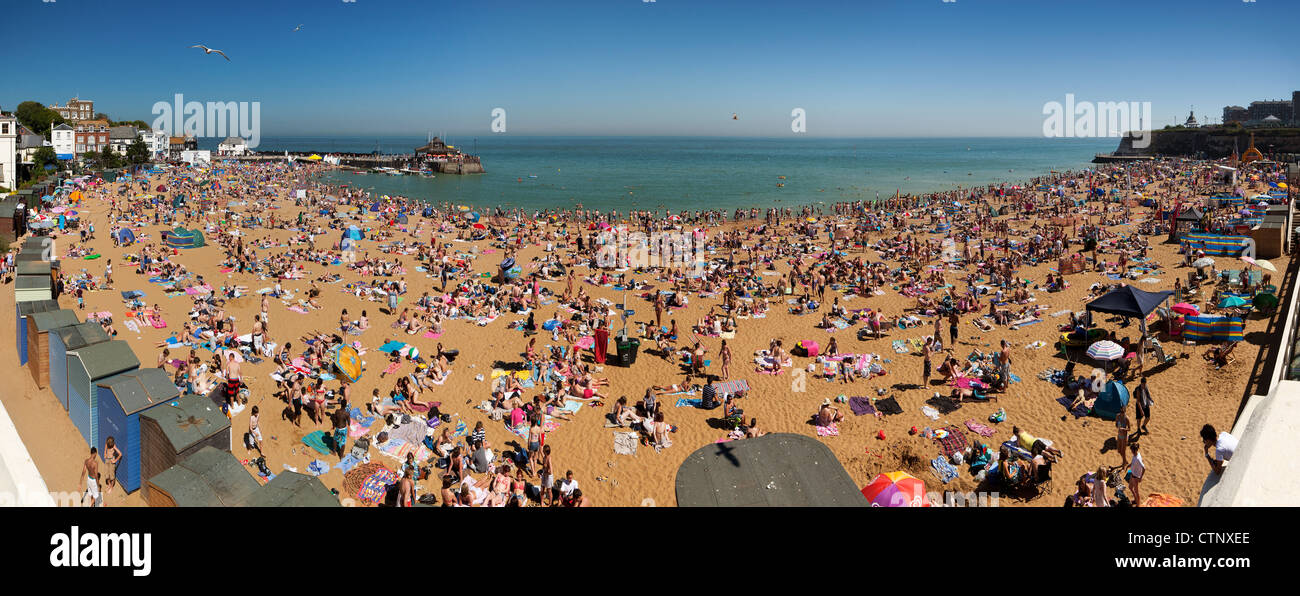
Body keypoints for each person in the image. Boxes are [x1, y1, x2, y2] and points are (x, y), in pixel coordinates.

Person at [1127, 442, 1144, 507]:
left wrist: (1140, 477)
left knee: (1136, 492)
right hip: (1132, 474)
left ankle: (1138, 504)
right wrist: (1130, 465)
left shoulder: (1138, 458)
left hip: (1136, 477)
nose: (1131, 451)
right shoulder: (1136, 455)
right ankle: (1136, 499)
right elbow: (1133, 461)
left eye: (1132, 450)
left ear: (1135, 450)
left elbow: (1144, 468)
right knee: (1130, 487)